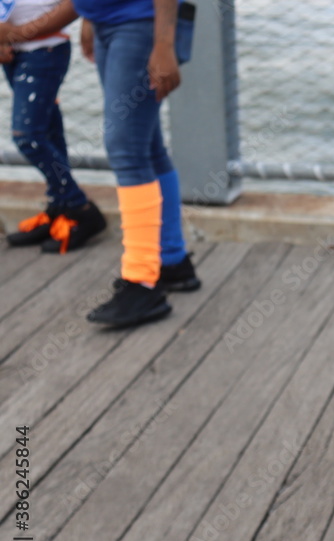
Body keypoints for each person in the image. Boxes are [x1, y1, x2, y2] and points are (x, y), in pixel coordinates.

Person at [71, 0, 200, 327]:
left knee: (126, 149)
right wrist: (89, 16)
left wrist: (163, 44)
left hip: (141, 24)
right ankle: (171, 261)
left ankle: (142, 285)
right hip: (109, 21)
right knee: (148, 147)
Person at [1, 0, 106, 253]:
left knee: (28, 137)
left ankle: (80, 207)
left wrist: (16, 33)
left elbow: (75, 4)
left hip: (45, 49)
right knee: (48, 131)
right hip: (12, 52)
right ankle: (59, 207)